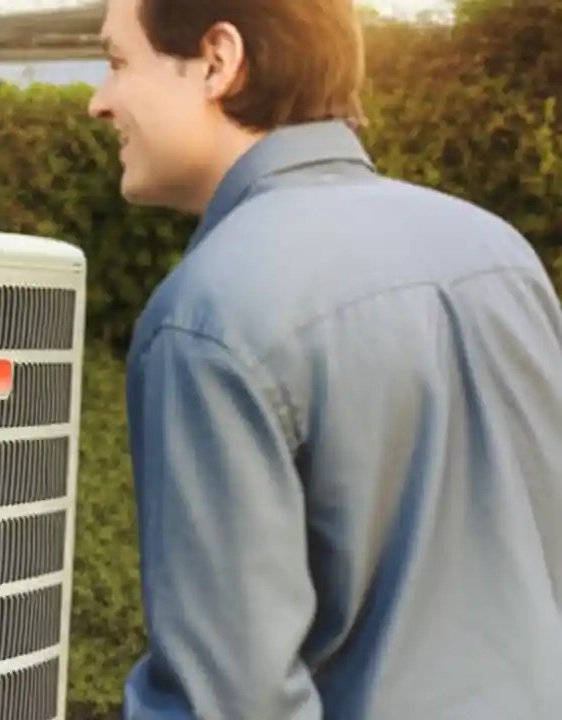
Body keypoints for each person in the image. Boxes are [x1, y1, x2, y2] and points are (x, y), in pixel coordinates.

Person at [88, 0, 562, 718]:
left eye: (119, 62)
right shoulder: (500, 255)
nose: (100, 102)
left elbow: (229, 703)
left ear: (218, 60)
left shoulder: (208, 315)